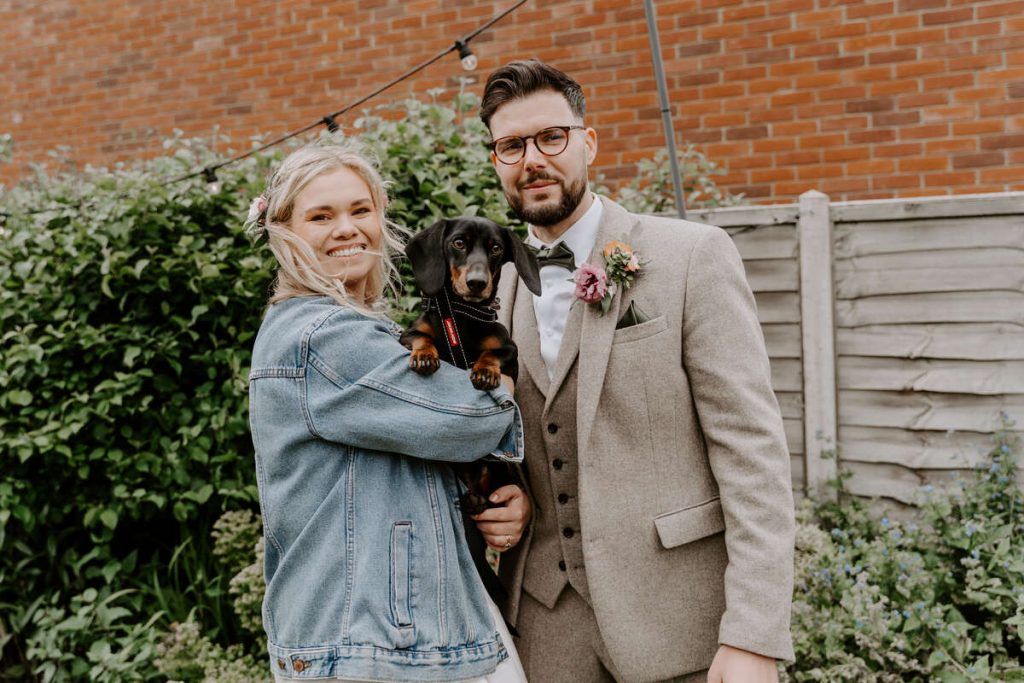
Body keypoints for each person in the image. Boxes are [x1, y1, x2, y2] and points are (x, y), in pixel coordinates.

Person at [478, 60, 796, 682]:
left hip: (681, 621)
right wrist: (505, 497)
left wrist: (755, 633)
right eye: (511, 146)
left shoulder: (690, 256)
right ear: (496, 160)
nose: (532, 159)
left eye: (552, 137)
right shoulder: (496, 287)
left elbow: (752, 453)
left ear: (588, 141)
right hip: (545, 626)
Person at [245, 141, 530, 682]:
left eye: (360, 210)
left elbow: (409, 460)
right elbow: (472, 419)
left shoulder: (333, 327)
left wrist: (501, 499)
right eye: (321, 216)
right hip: (378, 645)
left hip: (385, 635)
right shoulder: (326, 336)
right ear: (283, 233)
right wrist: (505, 381)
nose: (347, 228)